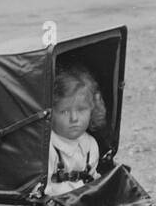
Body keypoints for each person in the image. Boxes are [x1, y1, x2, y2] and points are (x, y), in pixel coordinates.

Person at [45, 65, 108, 196]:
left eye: (81, 110)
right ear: (51, 113)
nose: (74, 119)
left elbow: (93, 178)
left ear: (92, 109)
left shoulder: (90, 145)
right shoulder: (48, 148)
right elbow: (45, 190)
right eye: (64, 111)